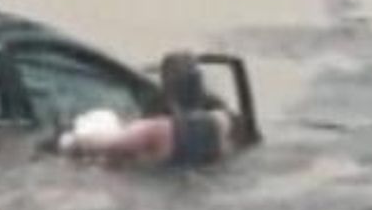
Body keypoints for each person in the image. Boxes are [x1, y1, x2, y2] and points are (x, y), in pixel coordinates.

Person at [57, 54, 243, 168]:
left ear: (167, 89)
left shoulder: (154, 131)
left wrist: (68, 140)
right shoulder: (220, 122)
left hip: (160, 184)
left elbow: (100, 144)